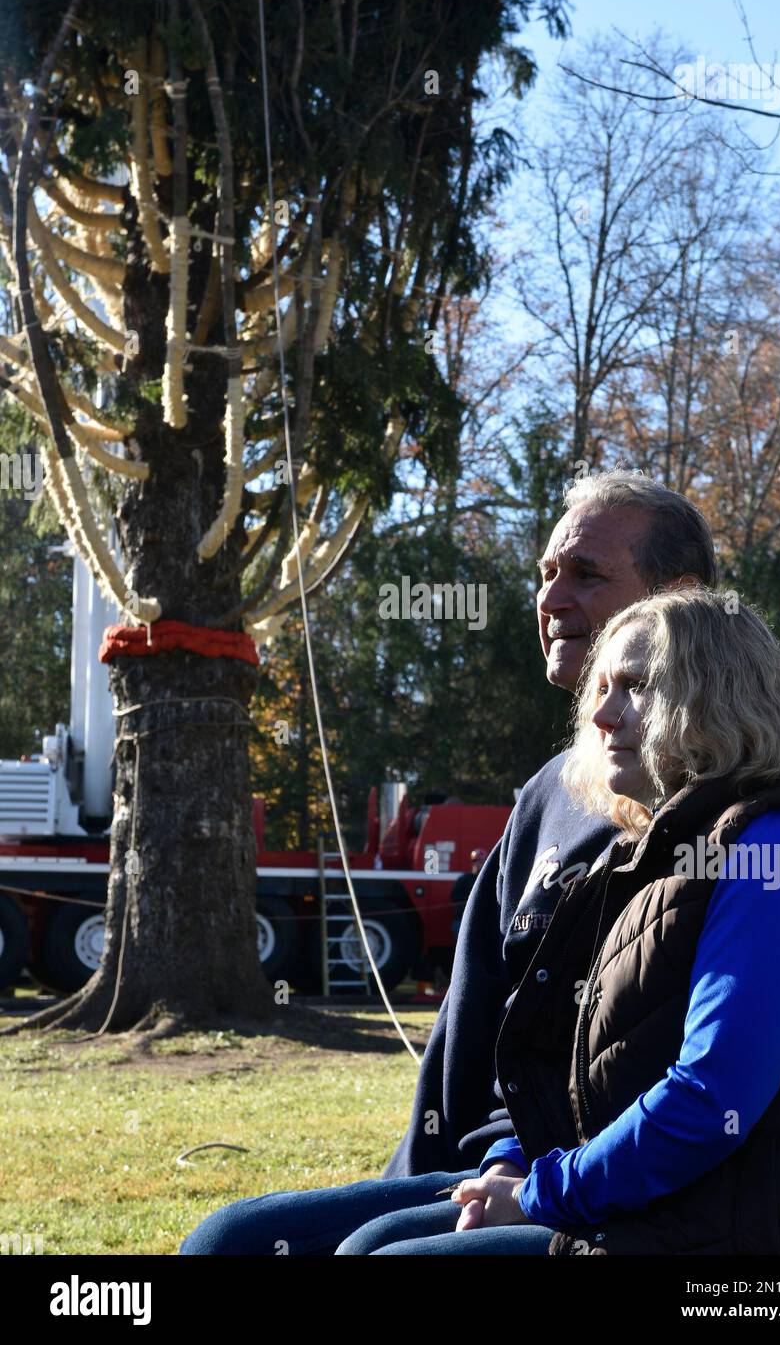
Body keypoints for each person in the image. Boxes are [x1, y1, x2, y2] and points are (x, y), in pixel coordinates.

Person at [181, 470, 718, 1255]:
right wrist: (426, 1174)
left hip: (617, 1190)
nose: (552, 599)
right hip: (496, 1165)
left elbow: (709, 1084)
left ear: (680, 594)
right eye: (546, 574)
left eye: (588, 574)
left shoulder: (739, 809)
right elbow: (476, 1026)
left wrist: (533, 1185)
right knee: (230, 1241)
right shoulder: (550, 794)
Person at [329, 588, 780, 1253]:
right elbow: (586, 1072)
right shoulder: (652, 852)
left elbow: (710, 1101)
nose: (603, 715)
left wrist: (540, 1194)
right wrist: (517, 1159)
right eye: (601, 687)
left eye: (635, 686)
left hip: (749, 1228)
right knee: (240, 1234)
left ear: (719, 696)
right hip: (631, 1196)